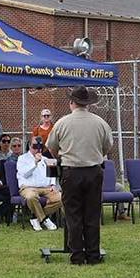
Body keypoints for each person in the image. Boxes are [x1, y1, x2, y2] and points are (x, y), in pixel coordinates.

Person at [47, 86, 113, 265]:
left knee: (73, 214)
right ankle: (93, 254)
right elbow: (107, 147)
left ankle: (77, 255)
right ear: (88, 104)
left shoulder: (62, 123)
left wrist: (61, 156)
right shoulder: (100, 123)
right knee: (92, 214)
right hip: (93, 171)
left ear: (71, 103)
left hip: (71, 172)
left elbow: (52, 146)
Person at [16, 136, 61, 231]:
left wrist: (53, 184)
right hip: (28, 187)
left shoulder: (47, 159)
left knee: (62, 198)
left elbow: (53, 175)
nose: (37, 149)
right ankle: (44, 219)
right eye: (35, 146)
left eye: (40, 146)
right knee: (30, 197)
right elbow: (25, 174)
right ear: (29, 146)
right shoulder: (22, 158)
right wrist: (35, 162)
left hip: (46, 187)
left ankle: (35, 218)